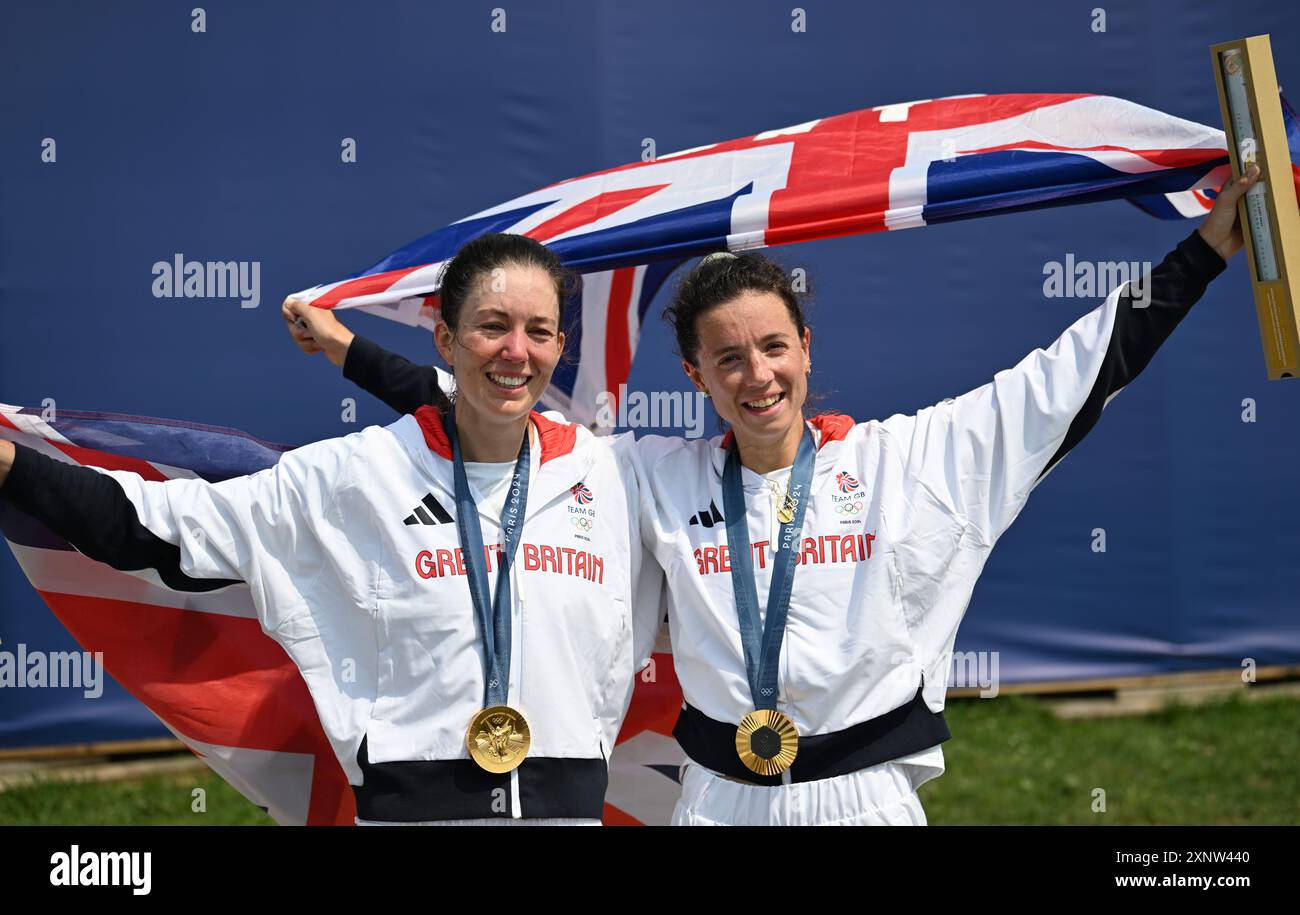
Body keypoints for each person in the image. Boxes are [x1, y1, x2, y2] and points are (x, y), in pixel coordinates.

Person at [285, 165, 1260, 825]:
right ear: (696, 373)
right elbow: (495, 416)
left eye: (772, 348)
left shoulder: (913, 461)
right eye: (727, 359)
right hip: (716, 800)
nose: (756, 376)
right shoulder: (651, 476)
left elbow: (1080, 368)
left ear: (806, 350)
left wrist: (1208, 247)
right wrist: (348, 351)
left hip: (867, 799)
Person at [0, 233, 660, 825]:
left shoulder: (608, 472)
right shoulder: (352, 477)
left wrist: (347, 349)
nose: (518, 349)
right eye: (493, 325)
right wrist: (10, 464)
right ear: (446, 338)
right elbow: (152, 525)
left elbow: (749, 478)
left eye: (538, 330)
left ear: (560, 346)